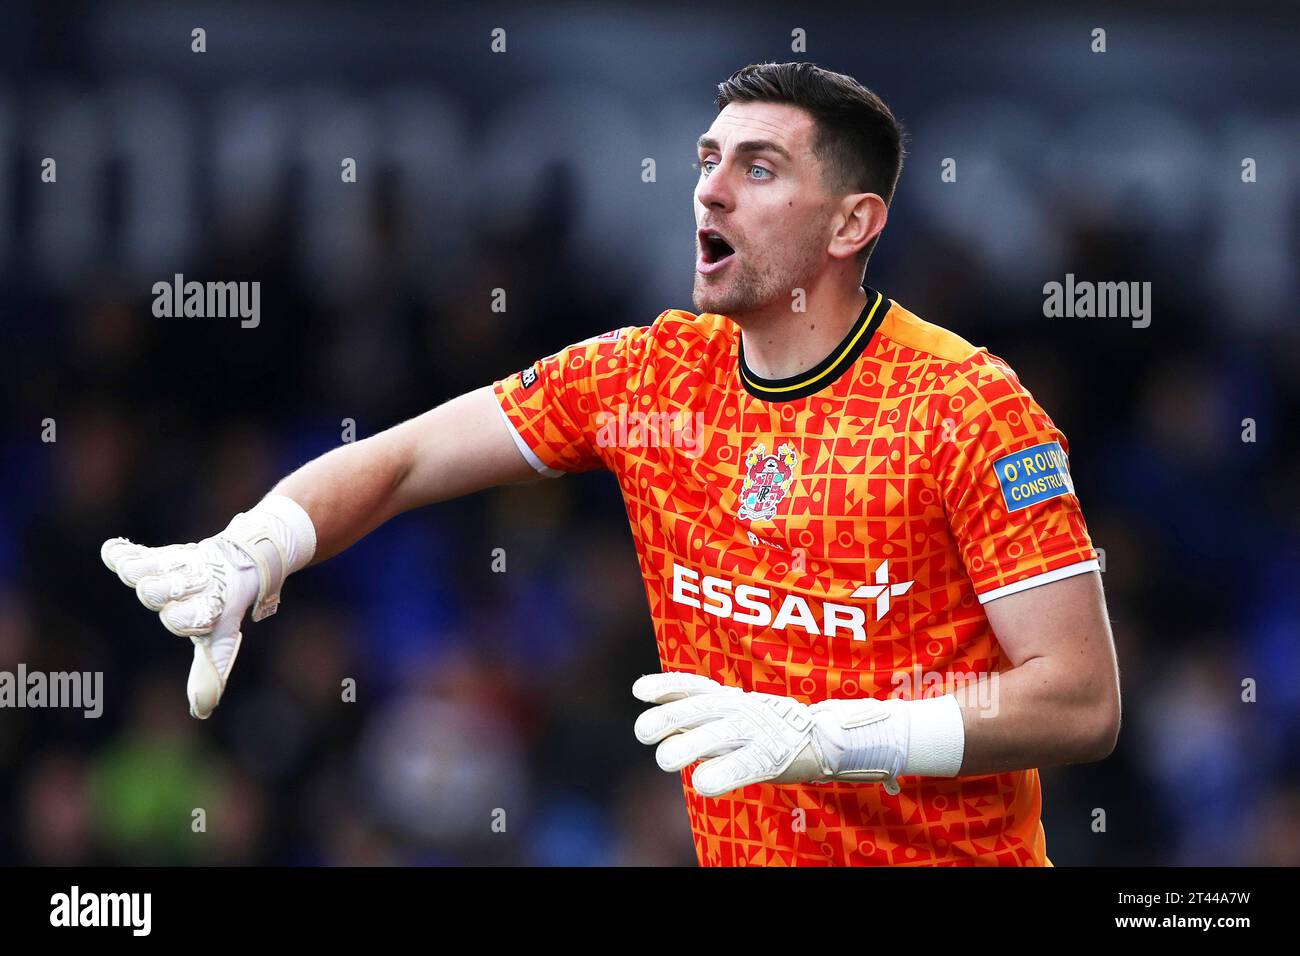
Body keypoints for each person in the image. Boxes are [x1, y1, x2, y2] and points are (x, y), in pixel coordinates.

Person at [102, 61, 1120, 866]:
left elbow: (1079, 699)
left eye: (758, 169)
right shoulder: (649, 377)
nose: (709, 190)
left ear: (852, 222)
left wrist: (837, 734)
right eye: (707, 159)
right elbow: (404, 459)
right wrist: (259, 545)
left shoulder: (966, 406)